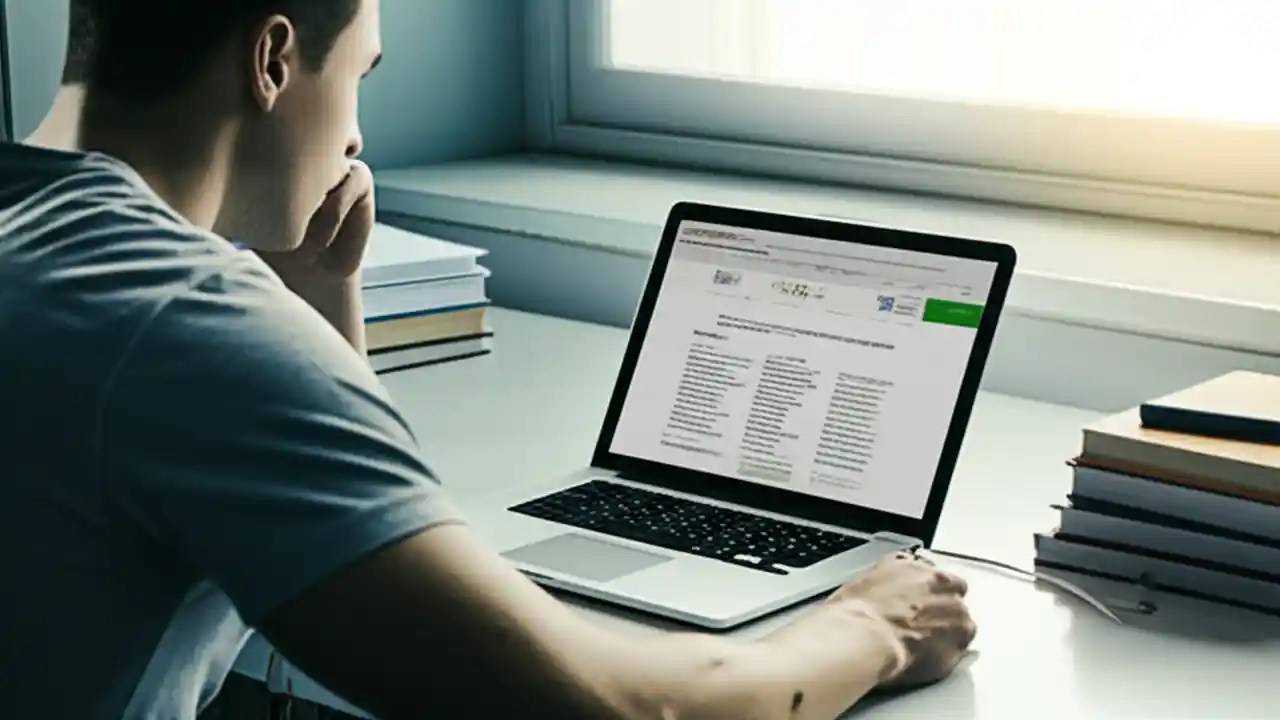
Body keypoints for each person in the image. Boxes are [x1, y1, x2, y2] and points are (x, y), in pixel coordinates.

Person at [0, 1, 977, 718]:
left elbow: (330, 537)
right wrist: (873, 631)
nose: (353, 136)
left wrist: (319, 299)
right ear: (271, 59)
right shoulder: (193, 325)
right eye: (361, 77)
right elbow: (625, 712)